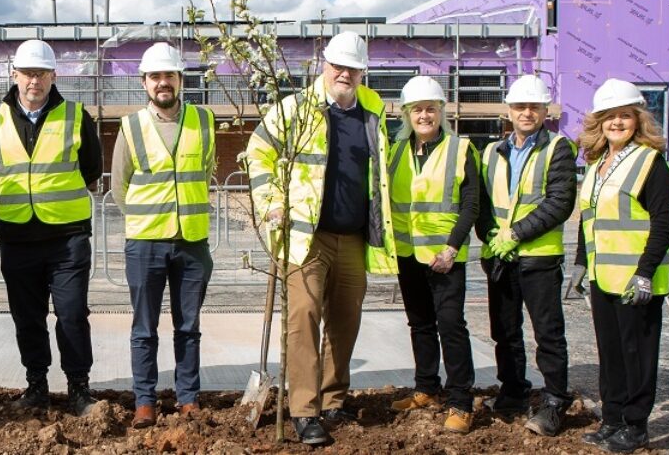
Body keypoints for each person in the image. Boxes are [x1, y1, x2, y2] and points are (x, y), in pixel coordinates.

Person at [245, 31, 398, 446]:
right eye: (338, 66)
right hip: (306, 237)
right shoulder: (297, 108)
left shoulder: (373, 112)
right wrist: (271, 201)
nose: (344, 73)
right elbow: (258, 149)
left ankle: (333, 397)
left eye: (352, 67)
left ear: (363, 72)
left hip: (353, 237)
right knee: (303, 319)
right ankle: (305, 410)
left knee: (346, 322)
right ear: (324, 66)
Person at [0, 39, 102, 416]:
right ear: (14, 75)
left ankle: (79, 388)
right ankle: (37, 387)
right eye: (28, 73)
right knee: (27, 317)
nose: (35, 81)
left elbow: (92, 169)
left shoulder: (77, 116)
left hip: (67, 237)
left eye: (42, 73)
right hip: (17, 237)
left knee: (72, 313)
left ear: (53, 76)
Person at [111, 42, 216, 429]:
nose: (162, 83)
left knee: (189, 326)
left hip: (192, 241)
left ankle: (188, 399)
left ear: (179, 79)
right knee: (144, 328)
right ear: (144, 82)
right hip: (146, 243)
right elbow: (120, 186)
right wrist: (147, 218)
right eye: (155, 76)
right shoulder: (131, 126)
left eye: (169, 75)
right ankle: (145, 401)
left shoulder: (203, 121)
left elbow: (204, 173)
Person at [569, 78, 669, 453]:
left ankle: (636, 425)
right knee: (610, 353)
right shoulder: (598, 163)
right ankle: (612, 419)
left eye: (625, 116)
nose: (617, 123)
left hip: (636, 280)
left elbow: (663, 223)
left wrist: (645, 272)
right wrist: (582, 266)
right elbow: (590, 218)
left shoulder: (650, 163)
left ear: (638, 119)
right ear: (598, 122)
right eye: (609, 116)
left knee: (637, 356)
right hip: (604, 277)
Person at [476, 75, 577, 436]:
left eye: (534, 106)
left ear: (545, 110)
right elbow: (482, 202)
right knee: (504, 331)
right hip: (501, 258)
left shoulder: (558, 148)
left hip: (539, 257)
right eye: (520, 106)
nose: (527, 112)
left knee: (548, 334)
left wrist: (515, 234)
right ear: (509, 110)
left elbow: (560, 202)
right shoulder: (492, 151)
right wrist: (490, 234)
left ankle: (554, 402)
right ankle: (514, 391)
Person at [388, 75, 480, 434]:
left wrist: (452, 247)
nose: (424, 115)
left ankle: (461, 400)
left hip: (445, 257)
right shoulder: (396, 152)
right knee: (420, 324)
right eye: (417, 110)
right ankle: (427, 387)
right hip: (409, 253)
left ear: (441, 111)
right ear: (407, 114)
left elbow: (471, 203)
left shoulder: (460, 149)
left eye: (430, 108)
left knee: (451, 325)